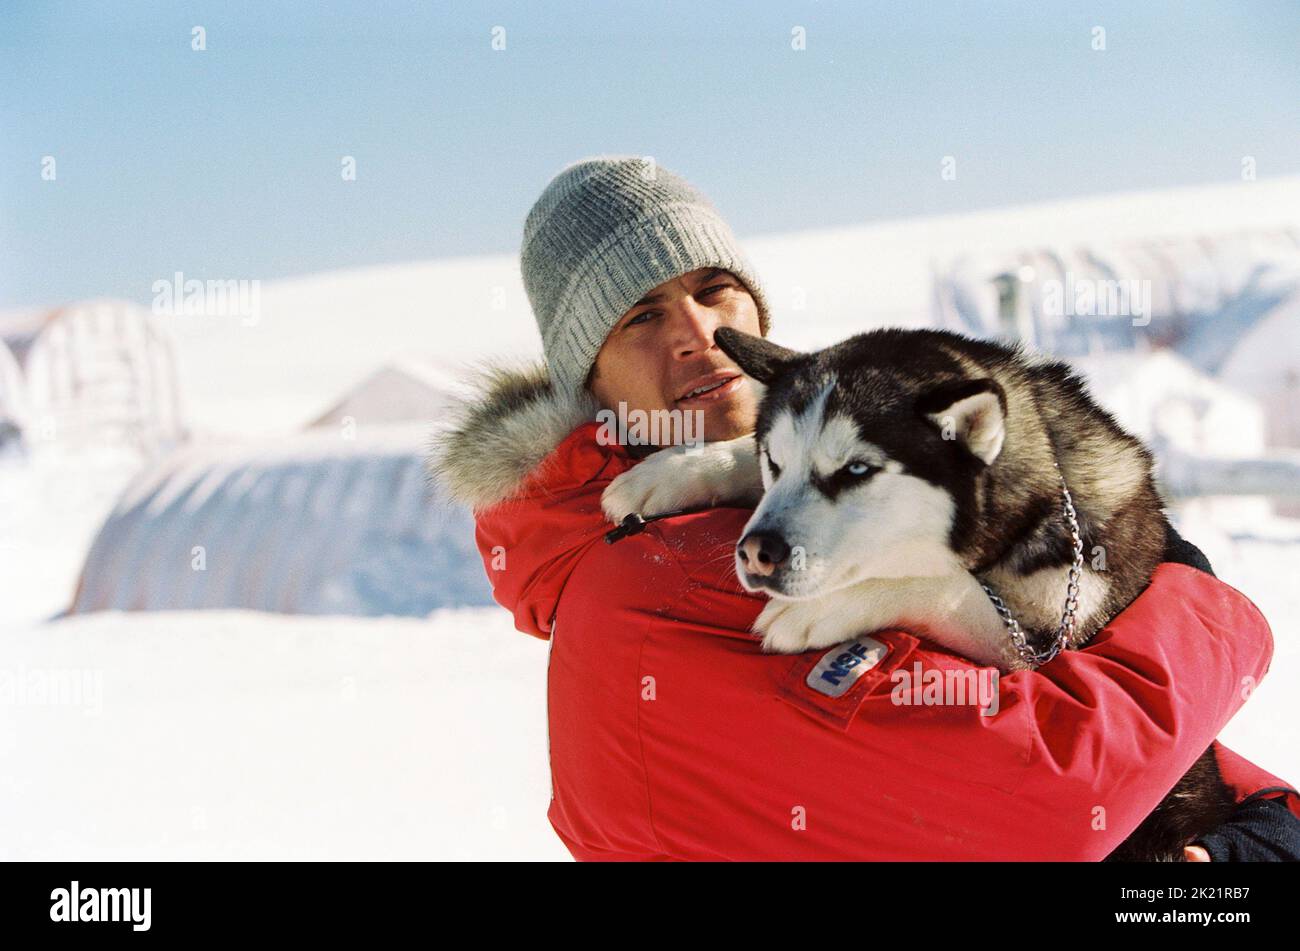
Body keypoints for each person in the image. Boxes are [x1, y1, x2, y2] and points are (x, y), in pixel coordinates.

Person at [432, 156, 1299, 860]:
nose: (696, 331)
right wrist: (1196, 600)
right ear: (589, 381)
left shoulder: (772, 507)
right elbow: (1062, 792)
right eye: (641, 316)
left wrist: (1256, 833)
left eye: (714, 287)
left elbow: (1101, 730)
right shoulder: (677, 580)